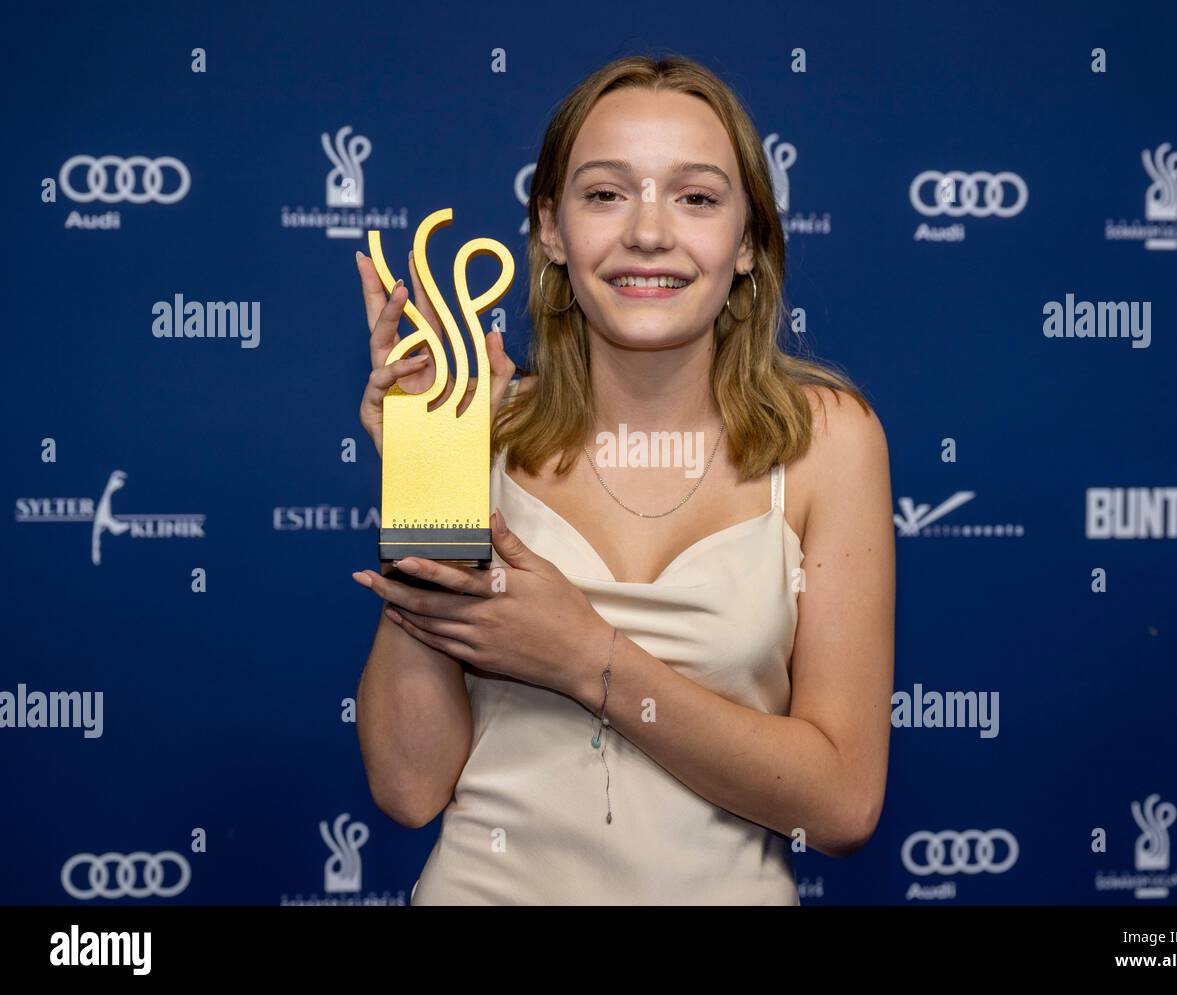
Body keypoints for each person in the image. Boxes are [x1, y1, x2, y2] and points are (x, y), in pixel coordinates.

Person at [350, 53, 895, 905]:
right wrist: (431, 479)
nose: (648, 233)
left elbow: (842, 805)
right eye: (606, 193)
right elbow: (409, 788)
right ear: (552, 228)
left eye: (697, 197)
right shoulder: (478, 426)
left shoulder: (830, 441)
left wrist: (584, 657)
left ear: (748, 240)